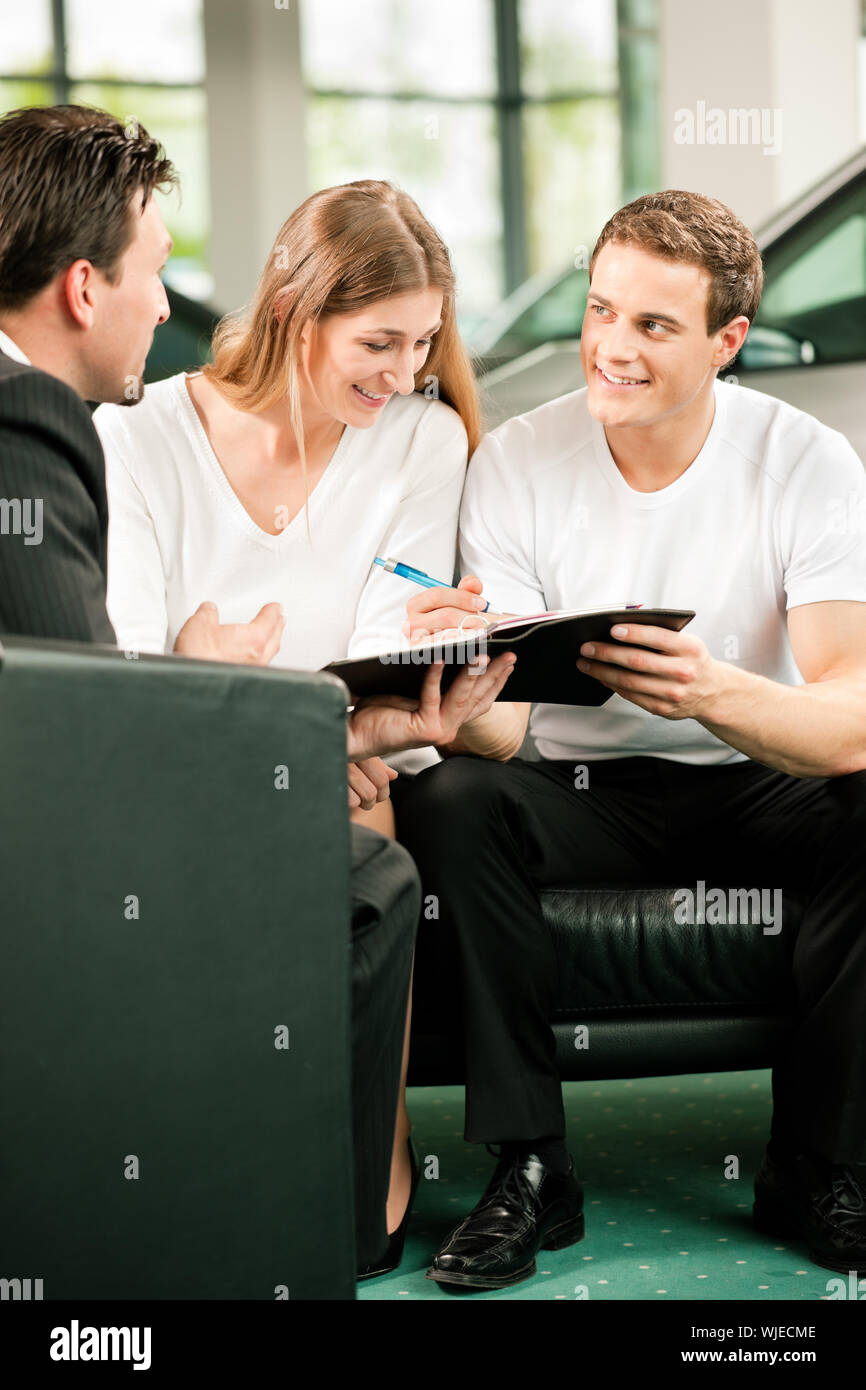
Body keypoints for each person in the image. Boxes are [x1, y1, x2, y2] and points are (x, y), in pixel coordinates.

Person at [0, 102, 517, 1280]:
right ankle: (276, 1173)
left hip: (338, 747)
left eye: (422, 345)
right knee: (348, 832)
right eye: (377, 342)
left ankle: (349, 1165)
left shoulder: (423, 442)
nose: (403, 374)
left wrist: (288, 702)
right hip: (196, 753)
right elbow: (120, 651)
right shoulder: (127, 432)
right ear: (296, 310)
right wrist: (259, 709)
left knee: (365, 803)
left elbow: (387, 635)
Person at [396, 189, 866, 1291]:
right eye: (599, 311)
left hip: (755, 781)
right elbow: (501, 730)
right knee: (452, 803)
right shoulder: (514, 458)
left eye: (652, 326)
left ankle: (820, 1162)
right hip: (574, 786)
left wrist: (711, 692)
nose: (609, 348)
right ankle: (528, 1168)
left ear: (725, 341)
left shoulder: (805, 460)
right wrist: (460, 673)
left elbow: (849, 715)